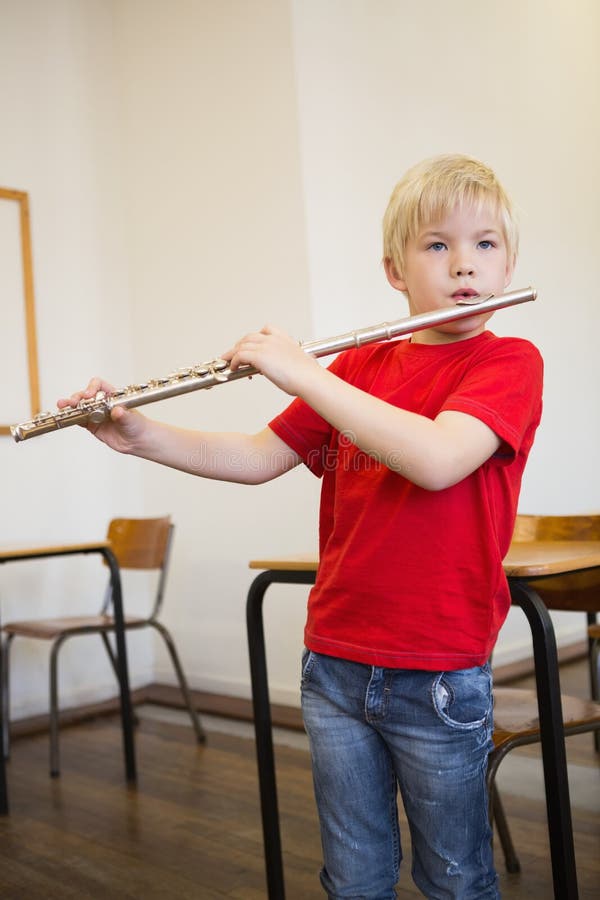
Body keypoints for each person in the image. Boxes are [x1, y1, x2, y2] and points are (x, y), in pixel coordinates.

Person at [60, 154, 543, 899]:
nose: (464, 266)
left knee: (454, 879)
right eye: (437, 245)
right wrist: (137, 435)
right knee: (353, 877)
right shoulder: (357, 367)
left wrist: (303, 371)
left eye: (485, 245)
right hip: (336, 663)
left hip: (439, 667)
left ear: (509, 263)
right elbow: (255, 458)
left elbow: (441, 459)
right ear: (395, 268)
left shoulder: (508, 360)